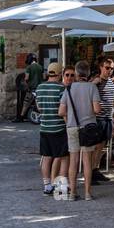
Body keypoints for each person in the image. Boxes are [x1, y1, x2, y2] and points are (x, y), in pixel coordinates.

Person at [60, 61, 102, 200]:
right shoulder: (92, 88)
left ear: (77, 73)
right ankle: (87, 193)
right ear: (88, 73)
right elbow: (97, 110)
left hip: (72, 127)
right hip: (88, 128)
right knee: (87, 161)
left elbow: (61, 111)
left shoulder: (69, 88)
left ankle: (72, 192)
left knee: (73, 160)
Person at [35, 63, 68, 195]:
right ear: (60, 73)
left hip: (44, 127)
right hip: (58, 127)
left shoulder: (39, 87)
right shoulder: (61, 88)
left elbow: (38, 107)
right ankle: (60, 186)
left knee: (46, 157)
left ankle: (47, 185)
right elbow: (63, 109)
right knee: (61, 157)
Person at [92, 57, 114, 183]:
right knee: (96, 146)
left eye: (112, 68)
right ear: (101, 67)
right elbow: (88, 94)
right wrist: (93, 83)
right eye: (107, 68)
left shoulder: (112, 82)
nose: (109, 70)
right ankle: (91, 171)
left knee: (102, 146)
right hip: (98, 118)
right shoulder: (96, 81)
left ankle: (95, 169)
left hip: (108, 117)